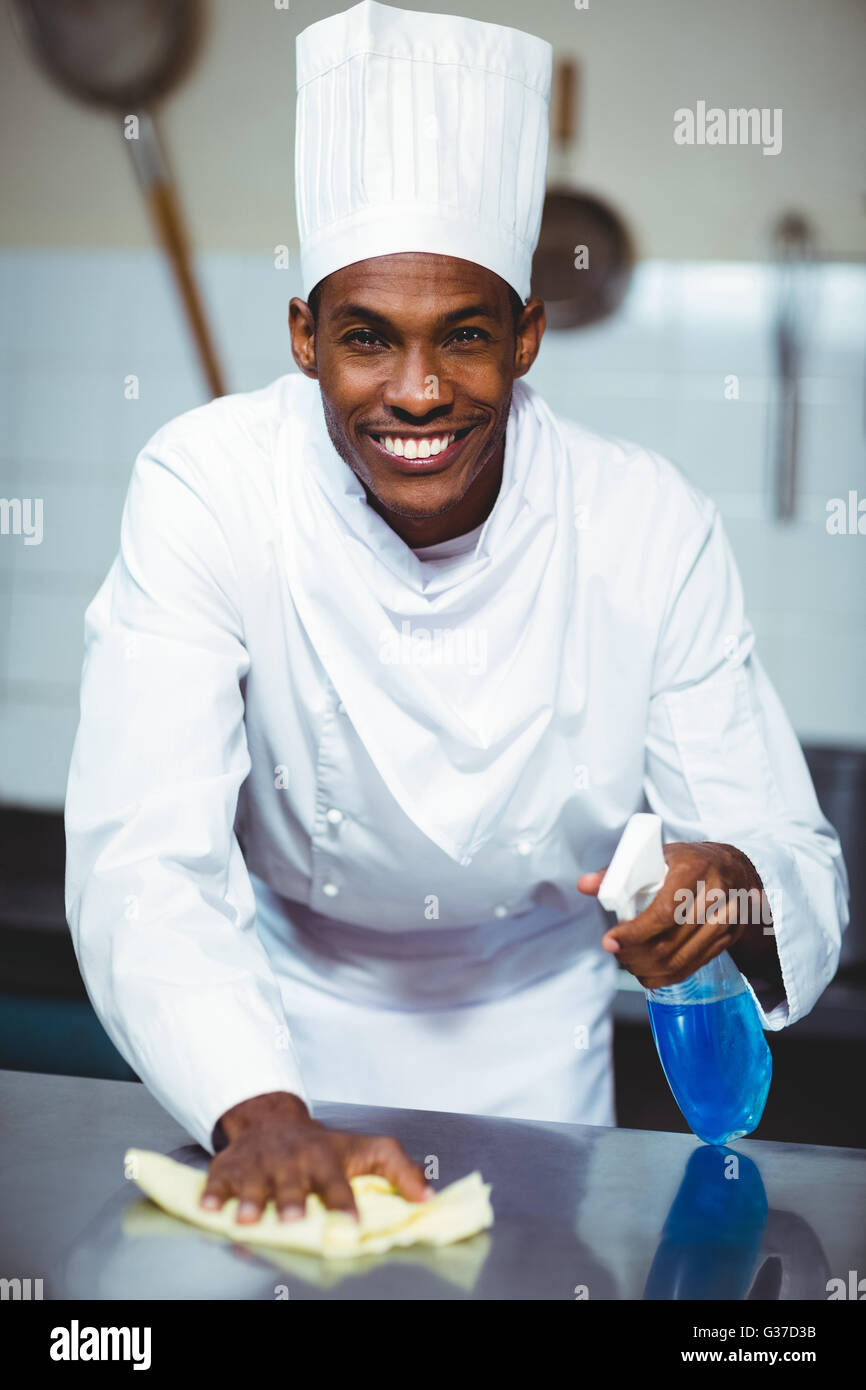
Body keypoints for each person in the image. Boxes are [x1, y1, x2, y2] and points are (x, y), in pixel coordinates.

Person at [65, 0, 847, 1227]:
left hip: (533, 1050)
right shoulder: (205, 484)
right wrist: (259, 1107)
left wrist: (725, 882)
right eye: (366, 338)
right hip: (267, 1038)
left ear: (527, 337)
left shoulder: (644, 521)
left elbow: (785, 867)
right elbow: (143, 861)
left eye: (464, 338)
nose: (416, 392)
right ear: (302, 338)